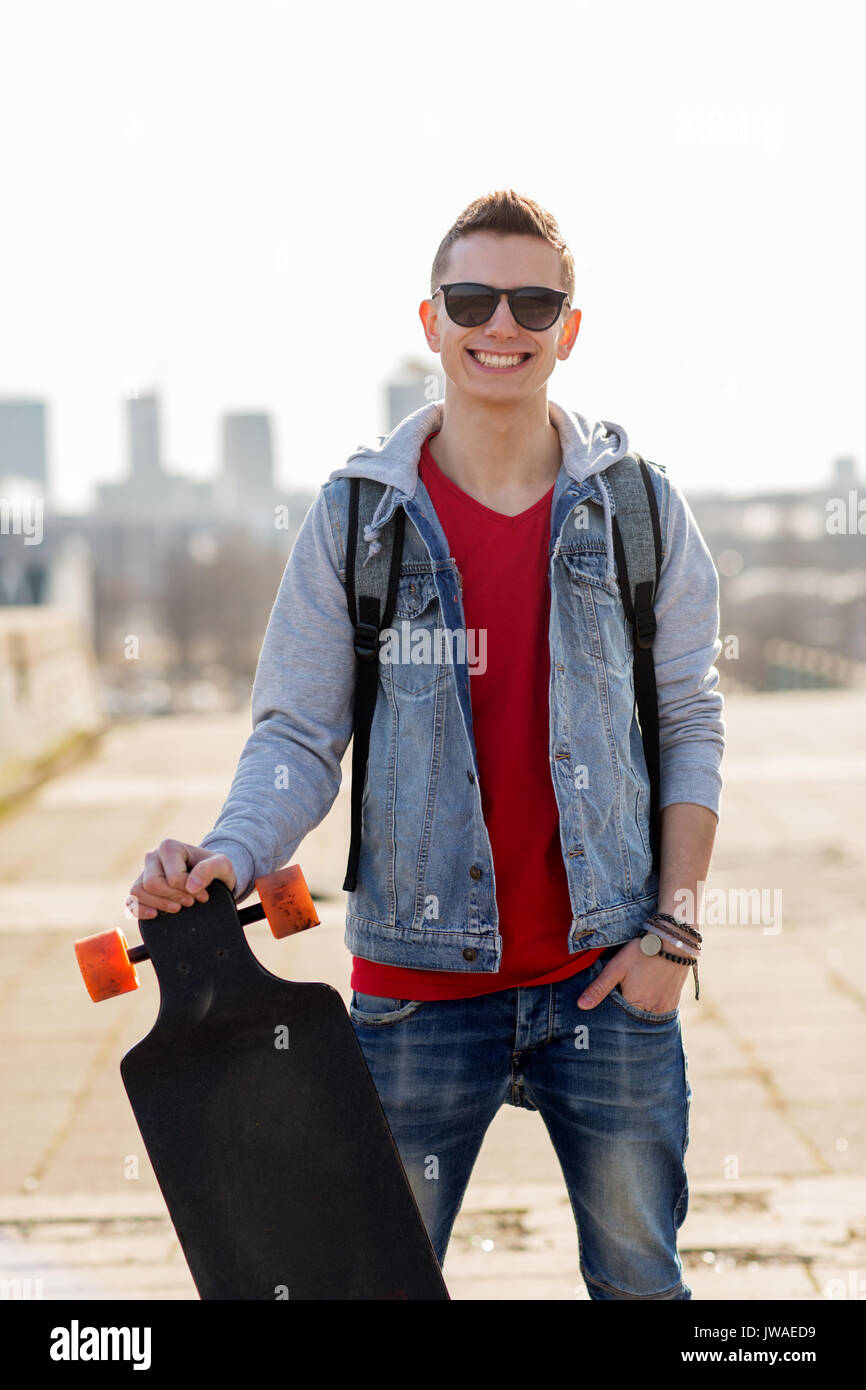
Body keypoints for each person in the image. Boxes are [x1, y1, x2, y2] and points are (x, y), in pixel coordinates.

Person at [129, 189, 724, 1300]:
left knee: (644, 1285)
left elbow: (688, 723)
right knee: (364, 1290)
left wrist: (673, 934)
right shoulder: (359, 518)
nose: (501, 324)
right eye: (472, 297)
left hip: (605, 976)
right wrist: (230, 849)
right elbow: (298, 734)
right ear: (430, 319)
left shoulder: (638, 509)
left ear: (569, 327)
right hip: (415, 994)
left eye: (532, 300)